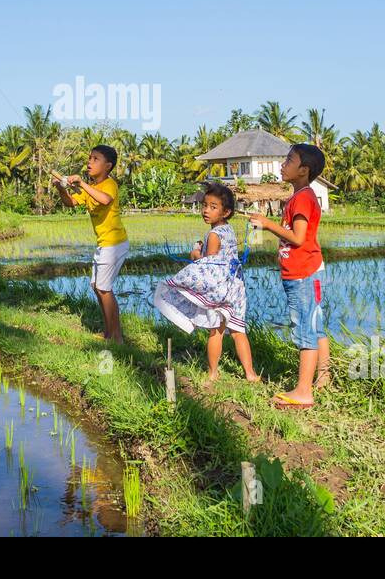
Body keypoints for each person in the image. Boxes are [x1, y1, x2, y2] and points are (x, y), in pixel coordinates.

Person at [247, 144, 329, 408]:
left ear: (303, 170)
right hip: (307, 270)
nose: (282, 164)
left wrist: (268, 224)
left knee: (305, 327)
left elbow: (298, 237)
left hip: (304, 274)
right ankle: (323, 378)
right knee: (315, 324)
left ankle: (304, 391)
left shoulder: (303, 198)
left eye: (288, 160)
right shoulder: (299, 196)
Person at [152, 182, 259, 383]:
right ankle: (250, 373)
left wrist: (195, 253)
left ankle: (212, 373)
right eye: (205, 205)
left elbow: (207, 264)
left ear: (226, 212)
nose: (206, 211)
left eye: (213, 207)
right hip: (235, 286)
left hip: (219, 289)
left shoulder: (213, 234)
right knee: (238, 330)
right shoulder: (227, 230)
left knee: (216, 330)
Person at [53, 145, 128, 343]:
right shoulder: (89, 189)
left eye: (95, 159)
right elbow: (70, 203)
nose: (89, 162)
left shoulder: (109, 184)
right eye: (89, 158)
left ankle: (117, 336)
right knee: (97, 287)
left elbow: (104, 200)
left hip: (114, 243)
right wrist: (61, 188)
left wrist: (83, 184)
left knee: (104, 289)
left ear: (108, 166)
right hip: (104, 244)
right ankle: (109, 333)